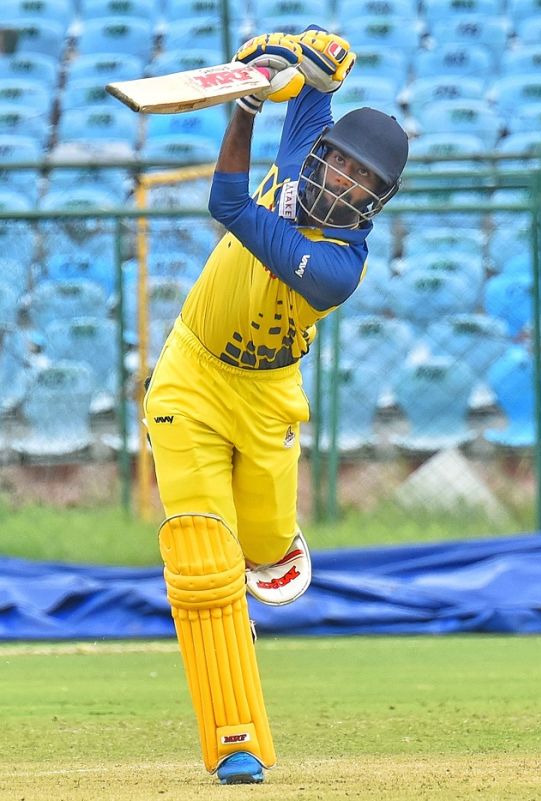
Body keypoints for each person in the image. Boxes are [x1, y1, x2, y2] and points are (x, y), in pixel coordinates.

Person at [142, 28, 408, 784]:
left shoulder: (337, 267)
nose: (344, 179)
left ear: (376, 199)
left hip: (266, 399)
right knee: (201, 557)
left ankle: (271, 550)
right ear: (324, 153)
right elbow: (316, 71)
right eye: (341, 161)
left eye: (363, 178)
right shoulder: (304, 149)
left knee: (258, 551)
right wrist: (295, 54)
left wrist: (248, 104)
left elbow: (227, 200)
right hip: (191, 373)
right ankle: (238, 742)